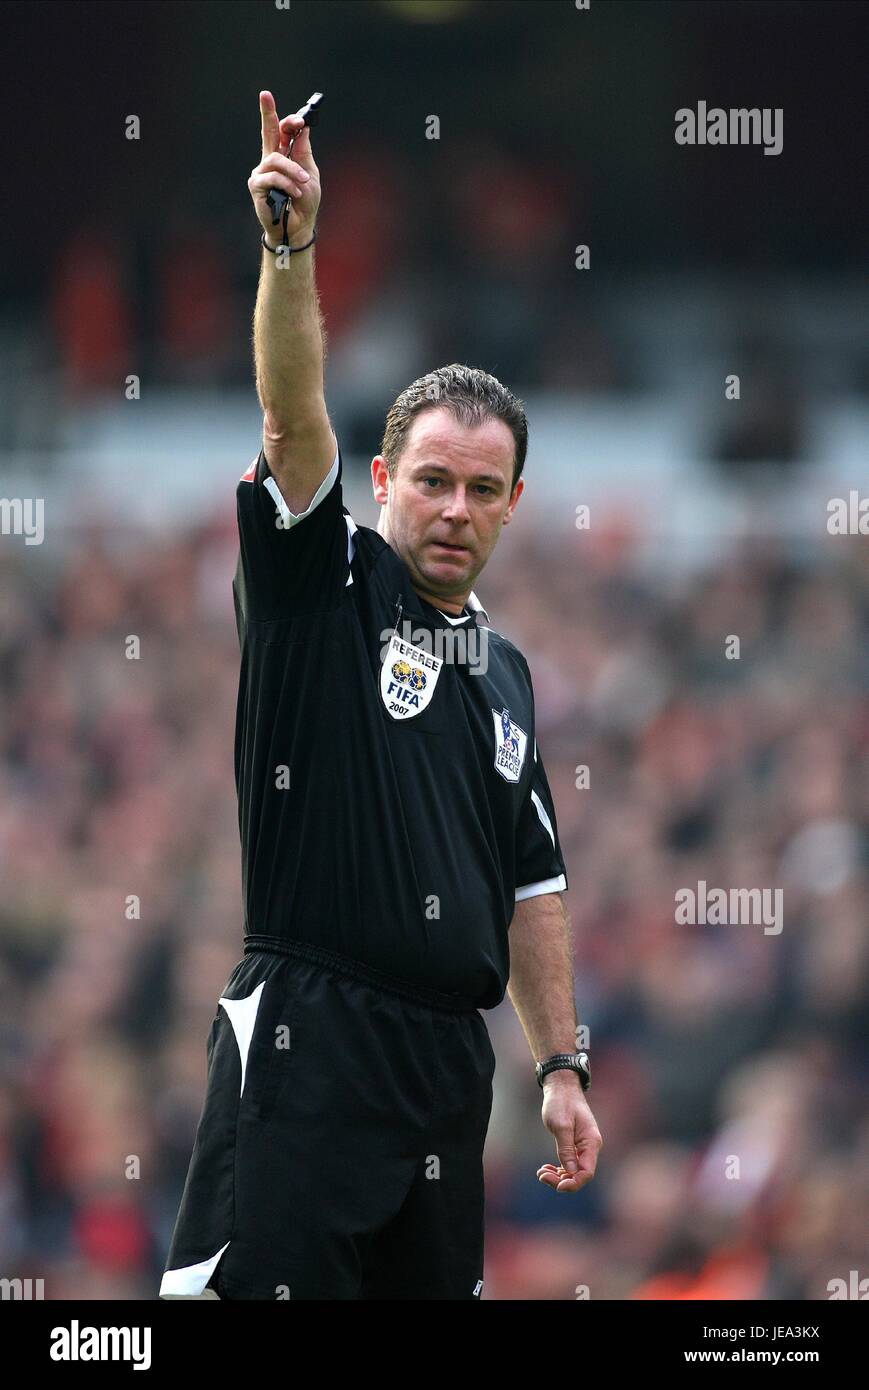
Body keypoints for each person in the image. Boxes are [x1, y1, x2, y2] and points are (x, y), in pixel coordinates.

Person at [159, 91, 602, 1301]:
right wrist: (290, 248)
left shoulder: (506, 677)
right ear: (380, 481)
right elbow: (289, 412)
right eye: (432, 481)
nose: (454, 508)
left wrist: (558, 1063)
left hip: (445, 1074)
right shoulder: (323, 581)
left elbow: (531, 886)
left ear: (512, 503)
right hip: (307, 1040)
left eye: (481, 488)